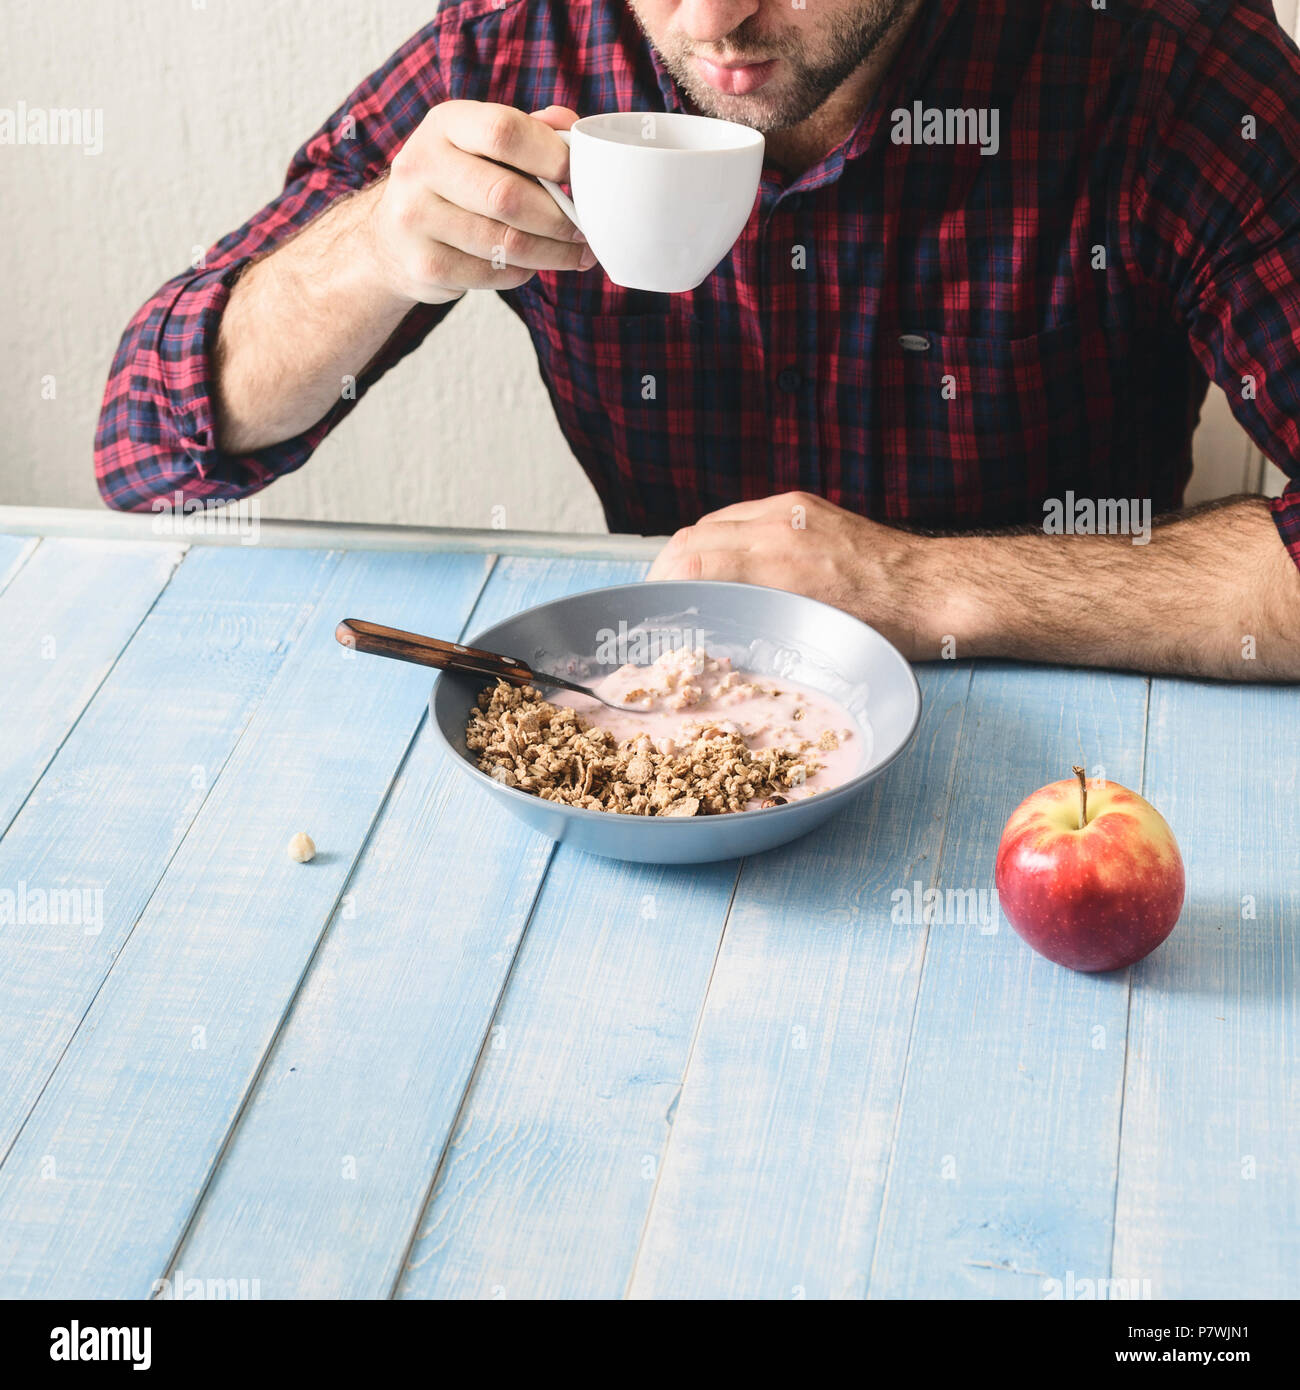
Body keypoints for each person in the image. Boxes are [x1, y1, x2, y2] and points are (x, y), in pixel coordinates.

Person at [94, 0, 1300, 678]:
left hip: (1071, 716)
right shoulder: (520, 52)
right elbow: (149, 446)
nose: (715, 17)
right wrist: (367, 251)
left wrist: (923, 581)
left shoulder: (1164, 62)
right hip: (659, 720)